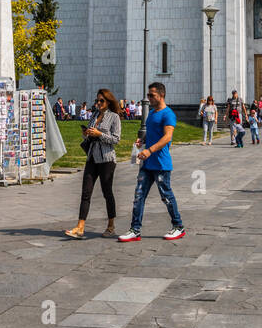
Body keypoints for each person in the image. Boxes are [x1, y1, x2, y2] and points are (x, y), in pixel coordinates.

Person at [118, 82, 184, 242]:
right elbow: (151, 132)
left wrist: (149, 150)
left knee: (166, 196)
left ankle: (178, 226)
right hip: (147, 164)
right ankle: (135, 229)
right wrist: (142, 140)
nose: (148, 98)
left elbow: (167, 137)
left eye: (151, 95)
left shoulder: (168, 114)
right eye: (148, 95)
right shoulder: (152, 113)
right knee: (138, 195)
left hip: (161, 163)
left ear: (161, 95)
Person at [65, 88, 123, 239]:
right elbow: (90, 134)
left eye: (101, 101)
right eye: (97, 101)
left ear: (108, 102)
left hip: (106, 160)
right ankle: (80, 227)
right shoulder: (95, 115)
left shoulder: (114, 117)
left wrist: (99, 134)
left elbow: (116, 139)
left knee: (107, 192)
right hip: (92, 157)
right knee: (86, 192)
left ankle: (111, 226)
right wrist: (87, 134)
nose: (98, 103)